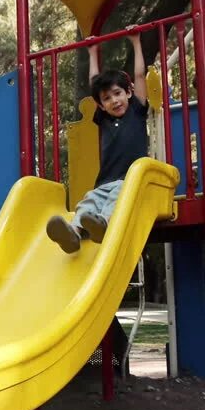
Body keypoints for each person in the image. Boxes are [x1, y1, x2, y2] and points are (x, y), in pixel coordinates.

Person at [46, 30, 149, 253]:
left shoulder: (137, 112)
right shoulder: (104, 119)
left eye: (117, 93)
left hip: (131, 180)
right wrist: (92, 52)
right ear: (101, 105)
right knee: (88, 201)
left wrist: (136, 42)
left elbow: (139, 75)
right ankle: (73, 233)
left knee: (115, 197)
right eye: (107, 99)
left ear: (128, 93)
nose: (114, 101)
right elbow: (94, 82)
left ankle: (103, 224)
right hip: (105, 182)